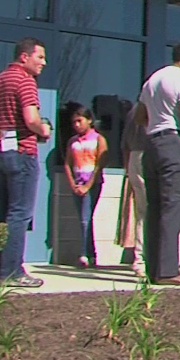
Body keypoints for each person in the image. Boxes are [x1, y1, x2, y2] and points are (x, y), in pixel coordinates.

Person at [135, 40, 180, 286]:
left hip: (151, 144)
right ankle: (168, 270)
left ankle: (154, 268)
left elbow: (139, 116)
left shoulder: (152, 80)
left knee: (154, 208)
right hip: (170, 143)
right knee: (174, 206)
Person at [0, 38, 52, 287]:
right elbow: (31, 118)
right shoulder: (24, 80)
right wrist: (43, 129)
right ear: (24, 57)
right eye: (40, 57)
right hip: (21, 153)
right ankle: (12, 272)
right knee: (19, 214)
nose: (44, 62)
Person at [65, 105, 107, 268]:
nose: (76, 125)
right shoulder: (73, 141)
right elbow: (68, 164)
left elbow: (100, 163)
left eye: (80, 121)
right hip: (78, 183)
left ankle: (83, 254)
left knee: (85, 219)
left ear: (89, 120)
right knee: (84, 219)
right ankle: (91, 254)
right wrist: (73, 184)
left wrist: (87, 186)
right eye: (74, 122)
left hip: (92, 184)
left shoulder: (98, 139)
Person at [118, 99, 147, 276]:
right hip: (151, 155)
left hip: (135, 157)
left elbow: (124, 145)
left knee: (141, 212)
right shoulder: (158, 107)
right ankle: (150, 259)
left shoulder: (133, 112)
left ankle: (140, 259)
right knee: (163, 210)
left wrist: (127, 169)